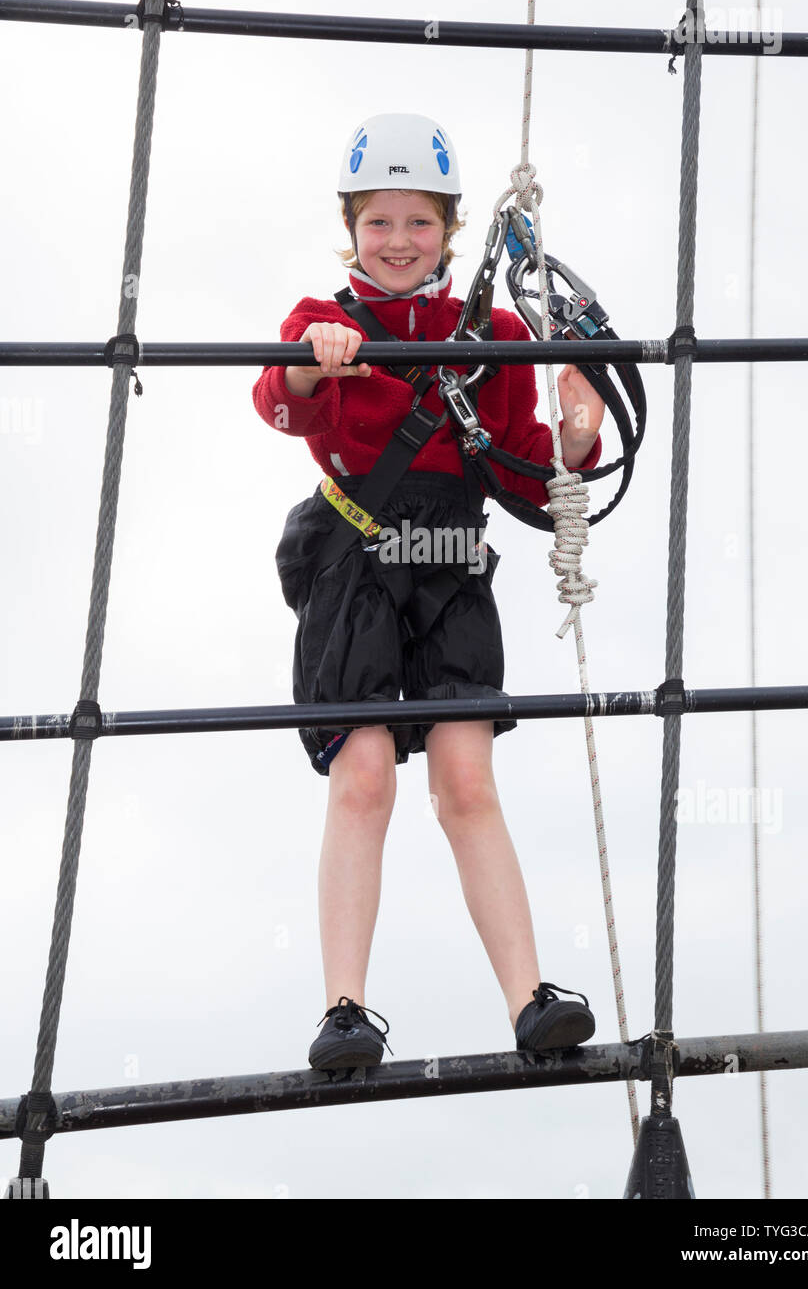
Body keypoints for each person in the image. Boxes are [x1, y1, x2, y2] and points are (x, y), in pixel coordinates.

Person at [252, 112, 607, 1071]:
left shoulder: (487, 336)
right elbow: (276, 399)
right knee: (362, 776)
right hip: (356, 567)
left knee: (465, 780)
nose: (399, 242)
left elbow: (531, 475)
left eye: (418, 222)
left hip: (450, 562)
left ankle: (531, 998)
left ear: (449, 230)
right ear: (350, 228)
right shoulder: (324, 322)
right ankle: (344, 1011)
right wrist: (312, 356)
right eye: (379, 223)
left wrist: (575, 432)